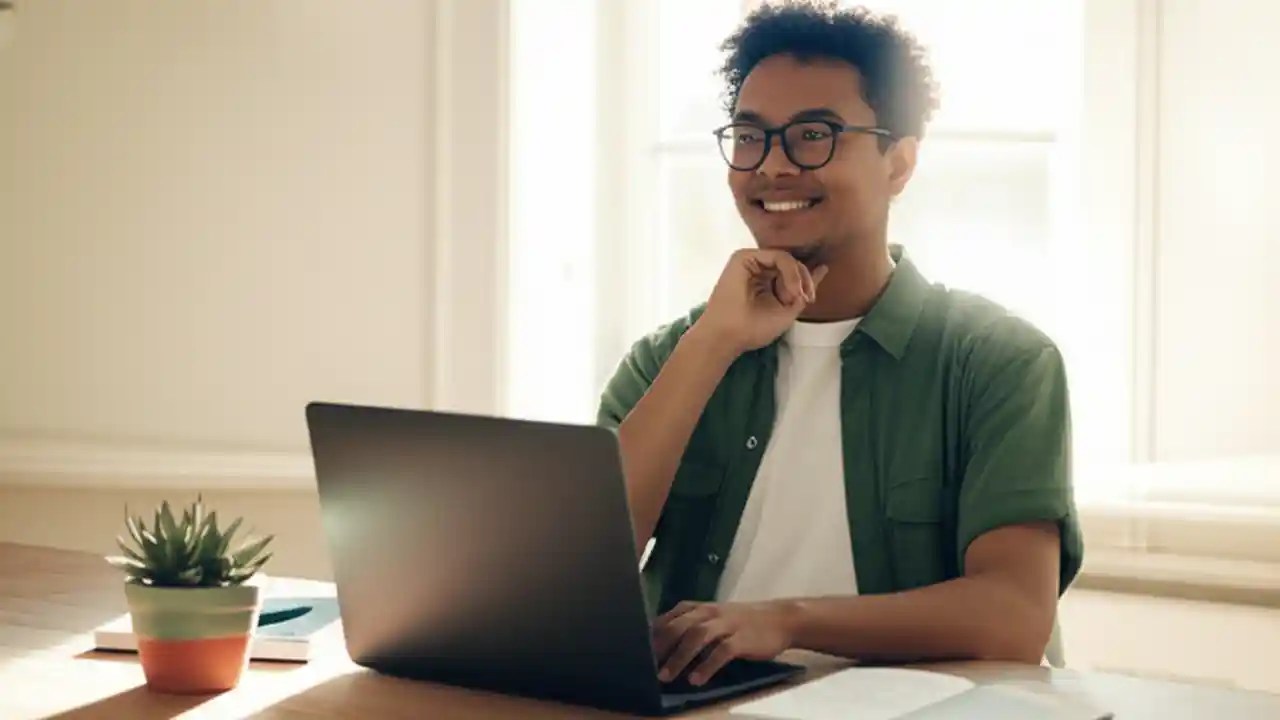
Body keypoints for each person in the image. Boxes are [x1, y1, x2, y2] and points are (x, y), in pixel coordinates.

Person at [596, 0, 1084, 687]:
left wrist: (785, 620)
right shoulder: (668, 357)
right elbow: (581, 580)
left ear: (900, 164)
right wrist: (711, 345)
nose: (773, 167)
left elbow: (1012, 615)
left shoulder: (998, 363)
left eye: (815, 135)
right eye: (750, 135)